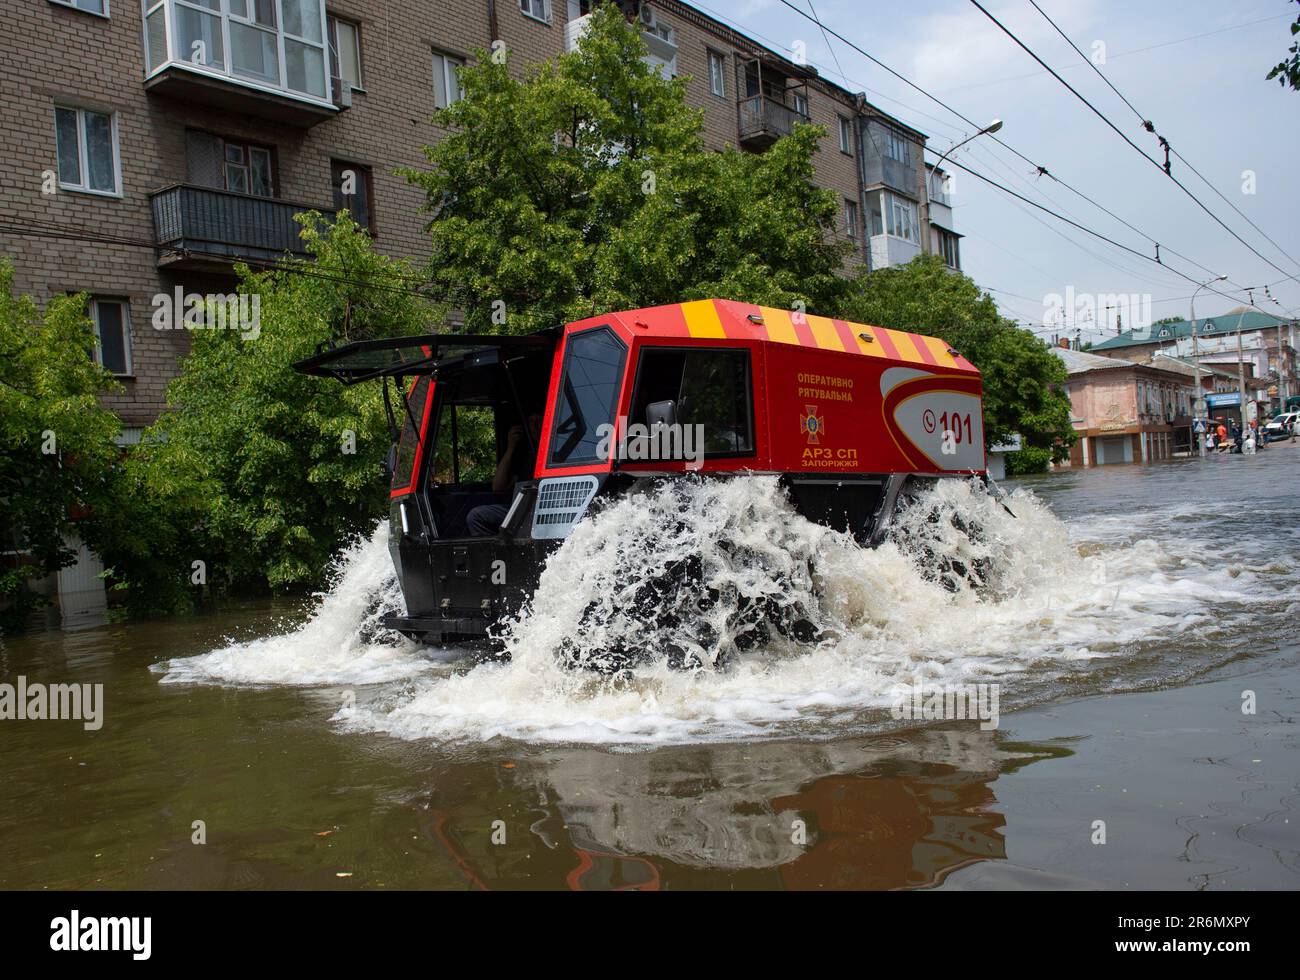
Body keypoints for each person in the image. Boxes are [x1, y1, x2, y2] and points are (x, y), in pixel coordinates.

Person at [466, 414, 542, 536]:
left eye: (539, 421)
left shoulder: (556, 450)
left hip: (542, 509)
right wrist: (511, 447)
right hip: (520, 509)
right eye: (532, 422)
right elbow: (497, 487)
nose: (536, 427)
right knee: (476, 516)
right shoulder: (524, 454)